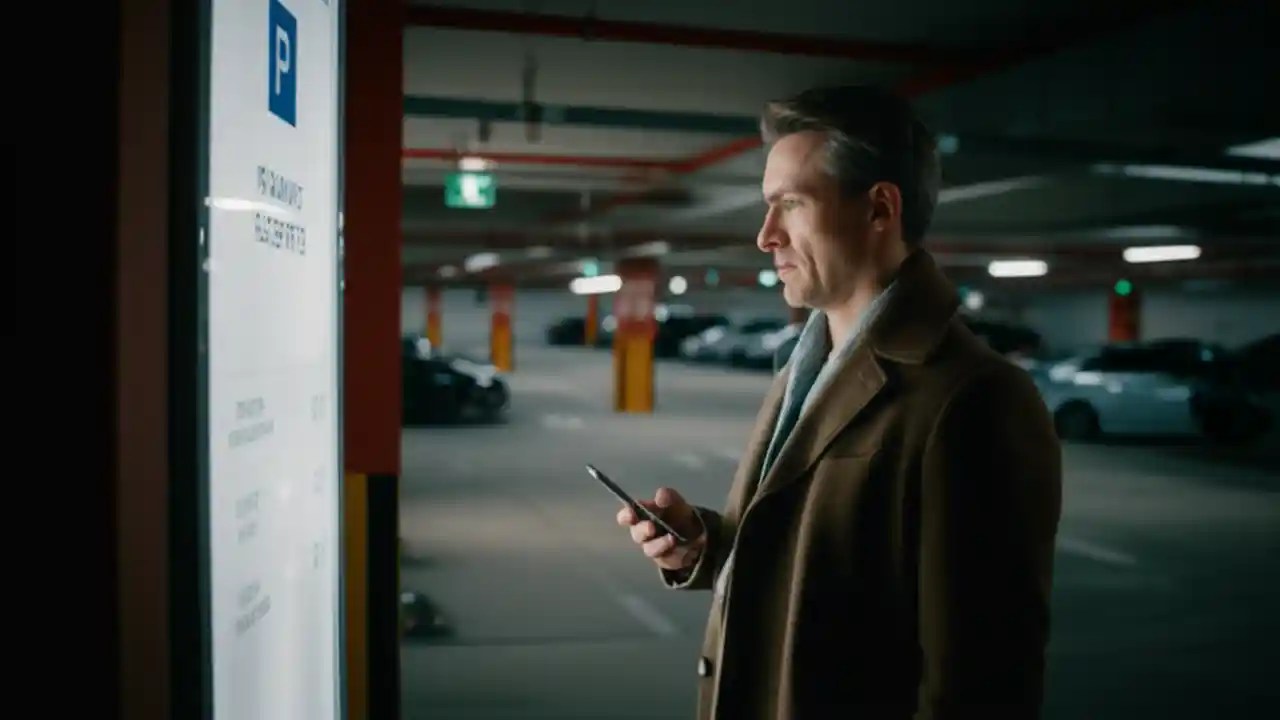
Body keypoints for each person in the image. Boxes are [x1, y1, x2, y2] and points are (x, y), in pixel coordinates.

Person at [617, 85, 1063, 719]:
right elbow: (833, 576)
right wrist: (704, 547)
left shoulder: (975, 398)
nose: (765, 236)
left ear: (879, 208)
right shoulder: (802, 368)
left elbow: (983, 681)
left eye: (789, 205)